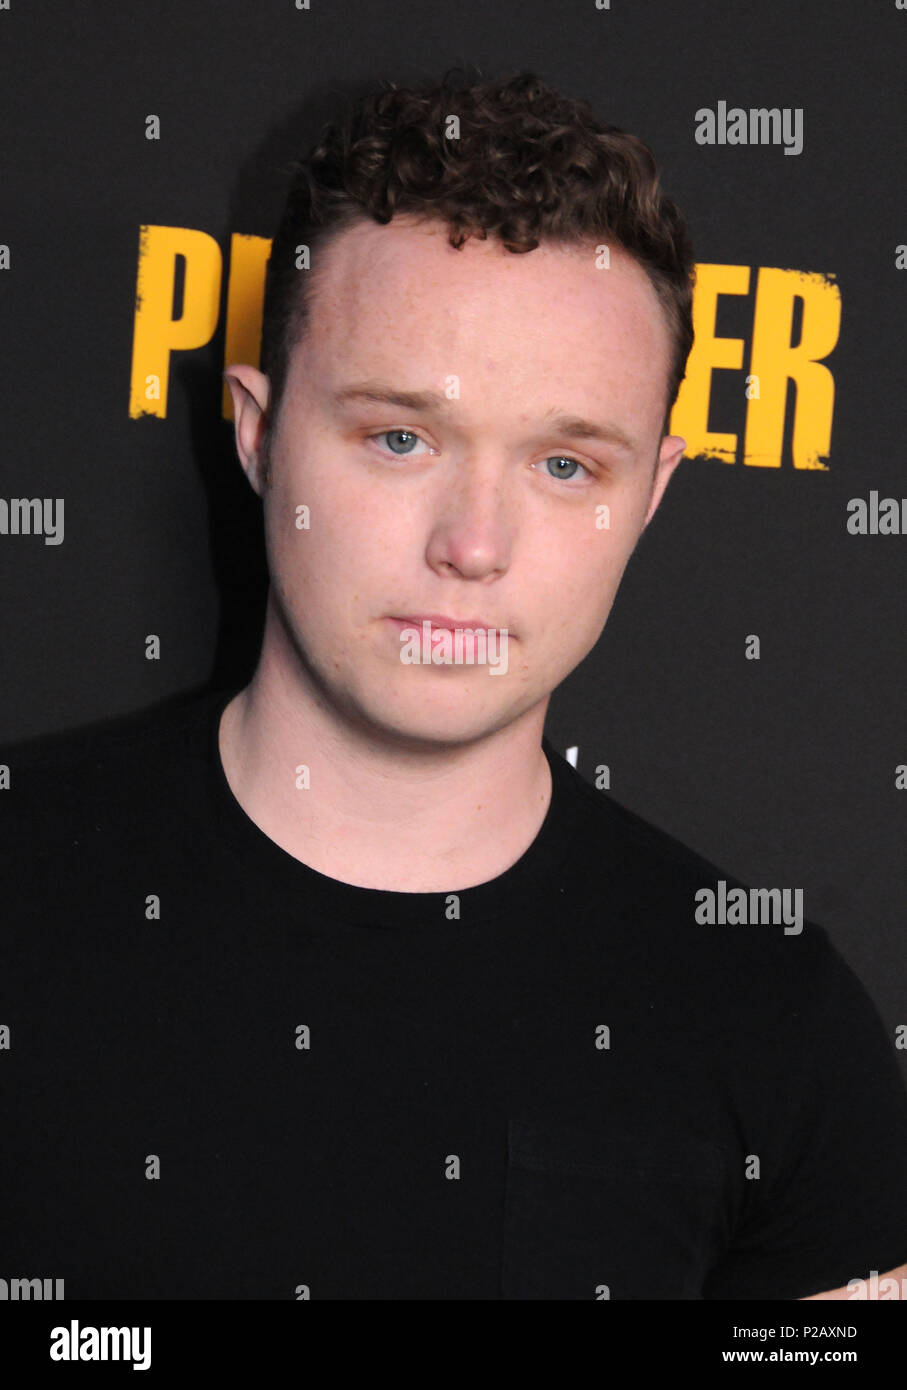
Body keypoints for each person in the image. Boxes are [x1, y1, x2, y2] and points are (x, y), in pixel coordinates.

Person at [3, 69, 906, 1301]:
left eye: (563, 463)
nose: (473, 544)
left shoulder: (779, 1029)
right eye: (399, 438)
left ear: (650, 497)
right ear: (259, 434)